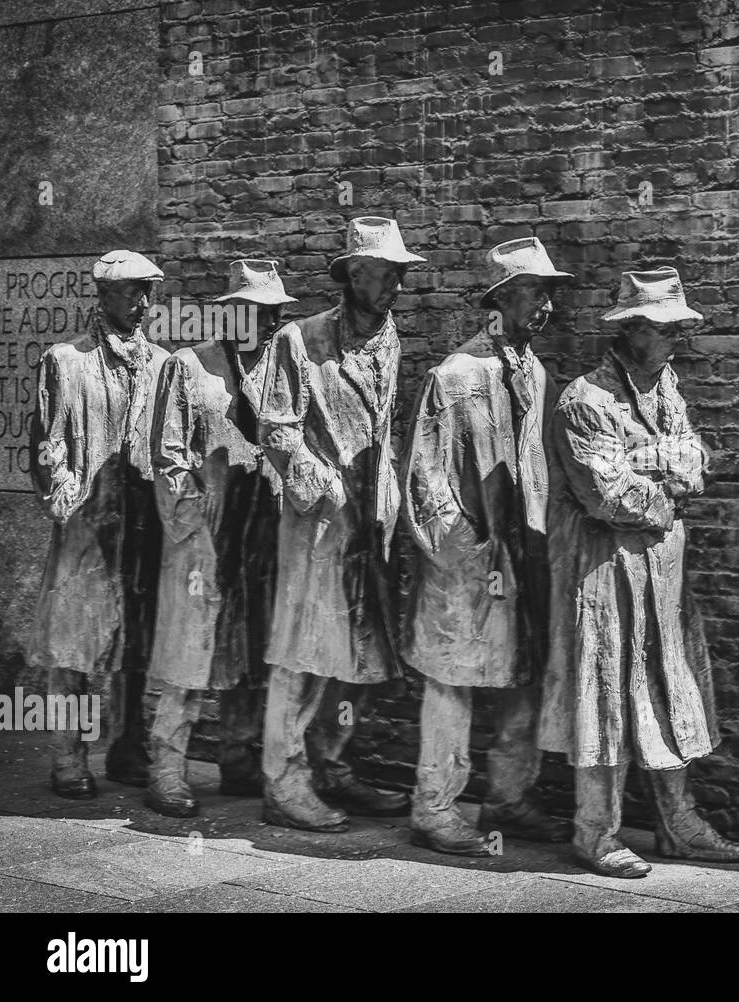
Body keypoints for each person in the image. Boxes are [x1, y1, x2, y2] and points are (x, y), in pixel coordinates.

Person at [540, 267, 739, 877]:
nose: (673, 340)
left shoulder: (668, 390)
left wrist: (658, 472)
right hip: (604, 571)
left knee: (670, 689)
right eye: (663, 329)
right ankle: (595, 831)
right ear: (631, 330)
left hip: (663, 571)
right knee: (604, 692)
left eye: (677, 329)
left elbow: (696, 467)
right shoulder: (586, 400)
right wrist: (662, 490)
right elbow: (607, 494)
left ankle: (679, 823)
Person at [401, 237, 573, 855]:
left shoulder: (537, 373)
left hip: (526, 553)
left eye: (549, 293)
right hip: (468, 564)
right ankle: (435, 806)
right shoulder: (455, 377)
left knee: (525, 674)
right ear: (500, 300)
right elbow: (426, 478)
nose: (546, 305)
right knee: (453, 681)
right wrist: (464, 555)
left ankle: (509, 795)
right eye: (534, 292)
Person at [255, 217, 421, 832]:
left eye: (400, 274)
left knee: (357, 657)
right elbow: (276, 428)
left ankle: (329, 765)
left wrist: (389, 497)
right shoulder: (300, 341)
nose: (395, 285)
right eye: (385, 273)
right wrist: (319, 484)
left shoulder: (389, 338)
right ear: (354, 273)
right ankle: (284, 780)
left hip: (369, 522)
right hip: (318, 525)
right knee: (302, 654)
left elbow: (385, 427)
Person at [145, 260, 293, 817]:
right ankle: (166, 763)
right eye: (256, 311)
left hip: (263, 526)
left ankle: (239, 756)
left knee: (249, 649)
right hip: (205, 533)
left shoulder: (280, 369)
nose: (267, 321)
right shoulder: (190, 366)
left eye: (274, 312)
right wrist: (193, 521)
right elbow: (167, 454)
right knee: (190, 655)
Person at [30, 249, 170, 798]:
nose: (142, 302)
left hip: (141, 524)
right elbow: (47, 443)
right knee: (74, 642)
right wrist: (65, 493)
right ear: (104, 293)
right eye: (133, 291)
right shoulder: (66, 360)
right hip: (88, 525)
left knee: (134, 639)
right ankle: (68, 755)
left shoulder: (160, 363)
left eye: (148, 292)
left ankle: (129, 745)